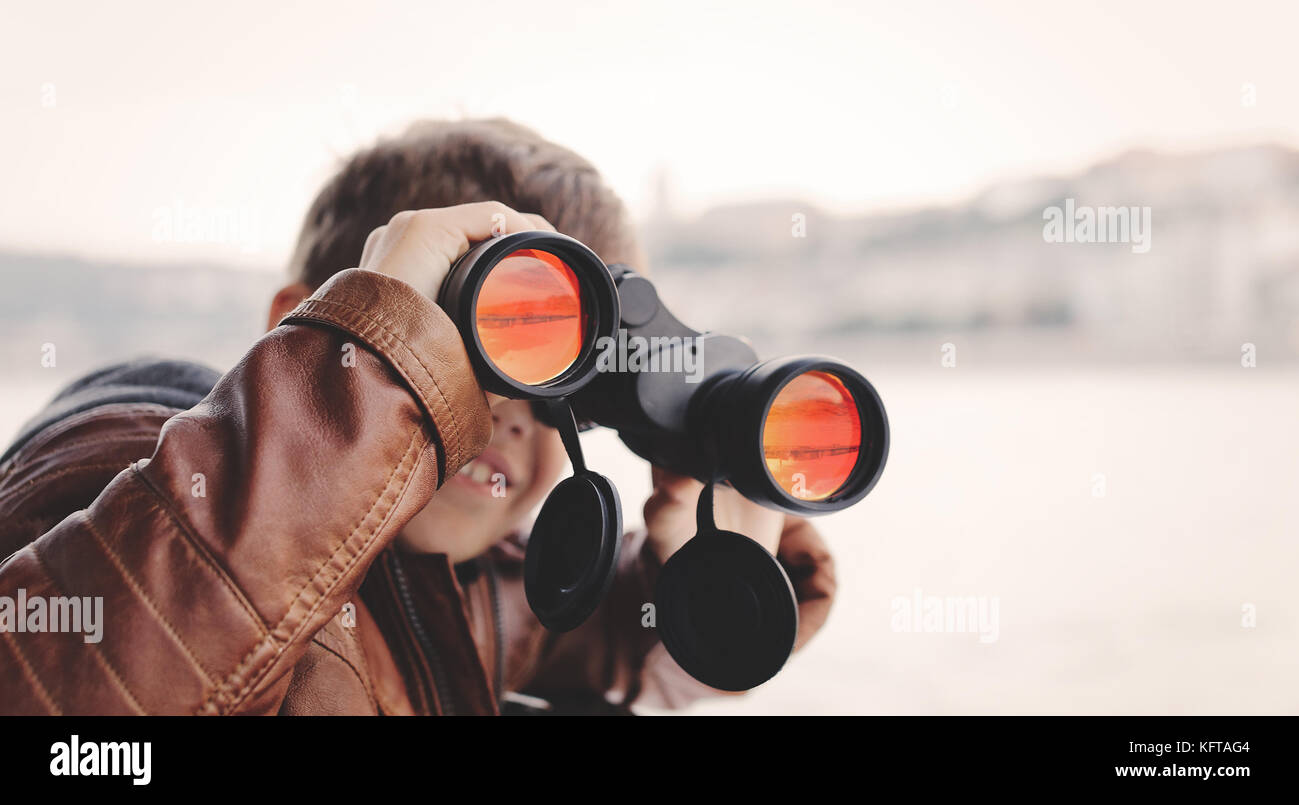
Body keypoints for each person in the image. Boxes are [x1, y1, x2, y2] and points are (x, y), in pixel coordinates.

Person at [0, 118, 836, 715]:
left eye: (563, 397)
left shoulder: (472, 587)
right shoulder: (135, 463)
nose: (512, 415)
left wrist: (705, 551)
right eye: (482, 351)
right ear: (315, 325)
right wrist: (358, 384)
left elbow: (614, 639)